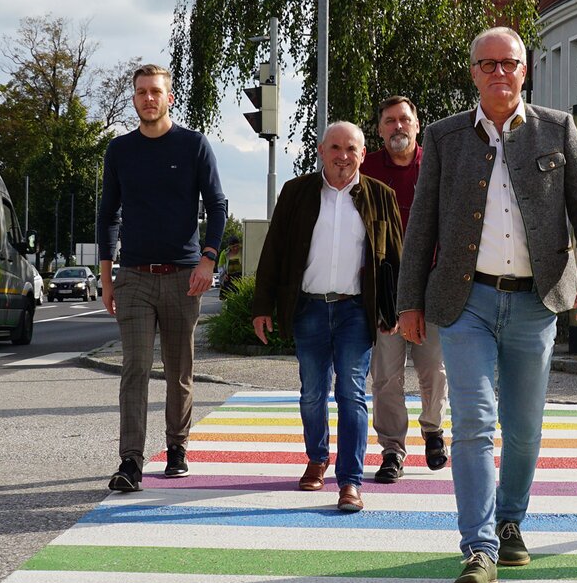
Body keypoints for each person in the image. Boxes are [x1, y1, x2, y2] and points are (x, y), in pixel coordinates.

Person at [398, 27, 577, 583]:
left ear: (524, 70)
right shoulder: (444, 137)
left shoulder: (556, 129)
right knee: (473, 422)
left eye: (508, 63)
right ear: (473, 73)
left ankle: (510, 519)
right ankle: (478, 546)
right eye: (487, 64)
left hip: (535, 302)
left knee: (523, 428)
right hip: (465, 301)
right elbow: (421, 226)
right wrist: (409, 302)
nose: (499, 72)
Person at [250, 122, 403, 513]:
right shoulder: (296, 192)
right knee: (313, 393)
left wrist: (395, 309)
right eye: (335, 147)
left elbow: (394, 259)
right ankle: (317, 457)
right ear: (321, 151)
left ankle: (350, 481)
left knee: (352, 392)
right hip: (309, 308)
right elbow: (274, 251)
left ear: (363, 154)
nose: (343, 156)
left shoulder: (380, 196)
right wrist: (262, 306)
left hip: (356, 311)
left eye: (351, 149)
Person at [97, 64, 229, 493]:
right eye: (141, 92)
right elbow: (108, 215)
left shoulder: (193, 145)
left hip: (183, 278)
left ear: (169, 97)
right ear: (134, 99)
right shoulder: (119, 150)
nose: (148, 98)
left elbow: (217, 204)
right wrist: (107, 277)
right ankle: (130, 461)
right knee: (134, 368)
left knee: (179, 371)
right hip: (134, 276)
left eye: (155, 91)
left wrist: (208, 259)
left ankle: (177, 446)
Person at [360, 95, 447, 482]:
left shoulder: (435, 165)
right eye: (390, 121)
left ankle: (433, 429)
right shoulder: (367, 169)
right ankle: (392, 449)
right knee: (386, 376)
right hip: (384, 289)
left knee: (433, 368)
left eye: (404, 119)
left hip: (431, 287)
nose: (398, 126)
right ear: (380, 130)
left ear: (416, 125)